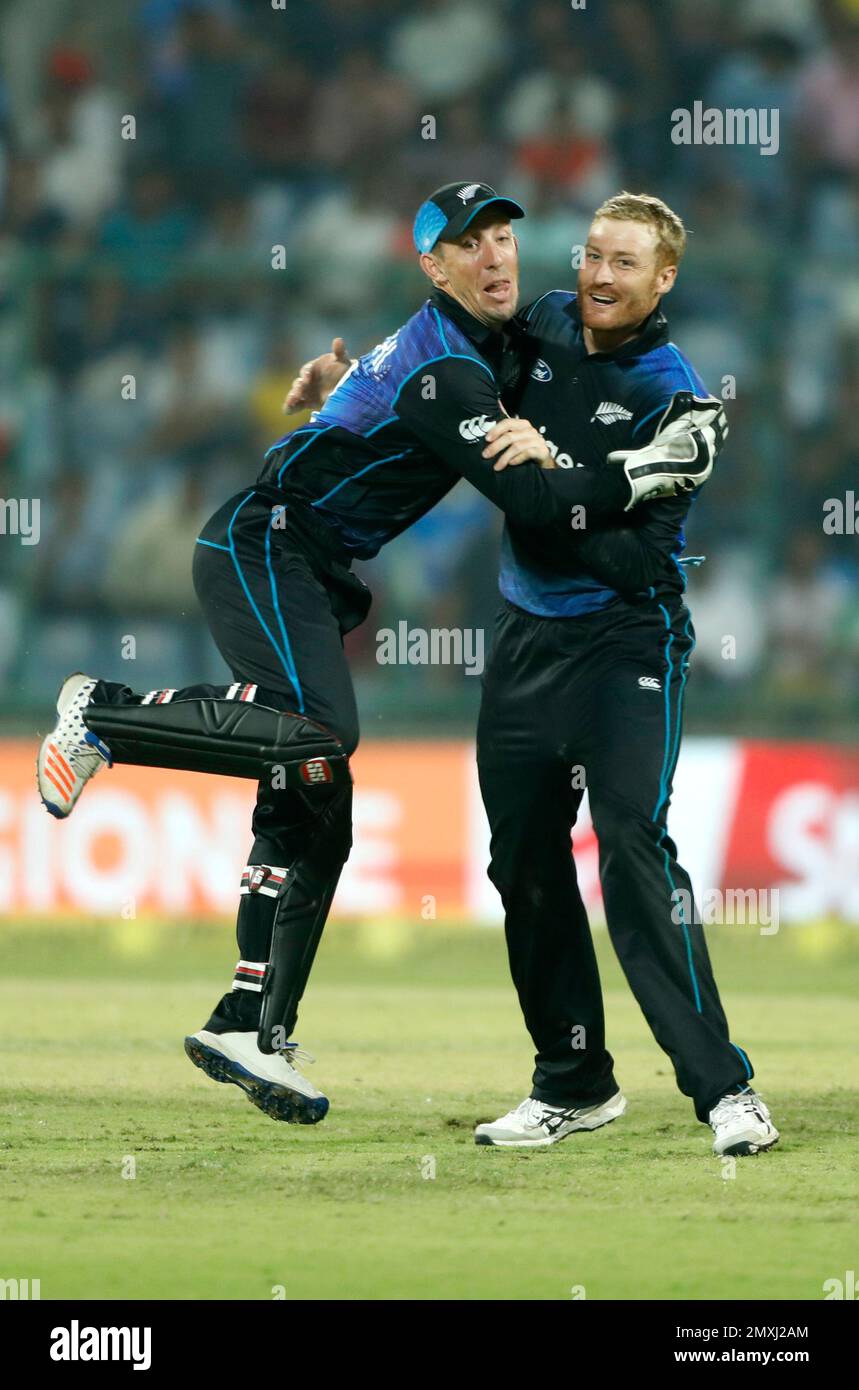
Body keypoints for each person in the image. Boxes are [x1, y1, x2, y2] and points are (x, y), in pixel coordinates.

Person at [36, 183, 717, 1128]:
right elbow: (520, 496)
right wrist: (555, 463)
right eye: (467, 246)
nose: (494, 258)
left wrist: (344, 384)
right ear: (432, 269)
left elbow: (433, 380)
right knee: (320, 734)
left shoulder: (487, 343)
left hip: (306, 563)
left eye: (503, 239)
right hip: (268, 541)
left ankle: (250, 1023)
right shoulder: (449, 371)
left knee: (315, 786)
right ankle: (102, 712)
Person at [291, 189, 778, 1159]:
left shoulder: (671, 395)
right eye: (593, 254)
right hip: (521, 645)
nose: (598, 275)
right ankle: (573, 1080)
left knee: (633, 849)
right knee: (522, 861)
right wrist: (355, 388)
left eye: (624, 263)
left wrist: (549, 478)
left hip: (626, 645)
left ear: (663, 278)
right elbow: (443, 363)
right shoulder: (543, 323)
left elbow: (638, 561)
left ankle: (726, 1089)